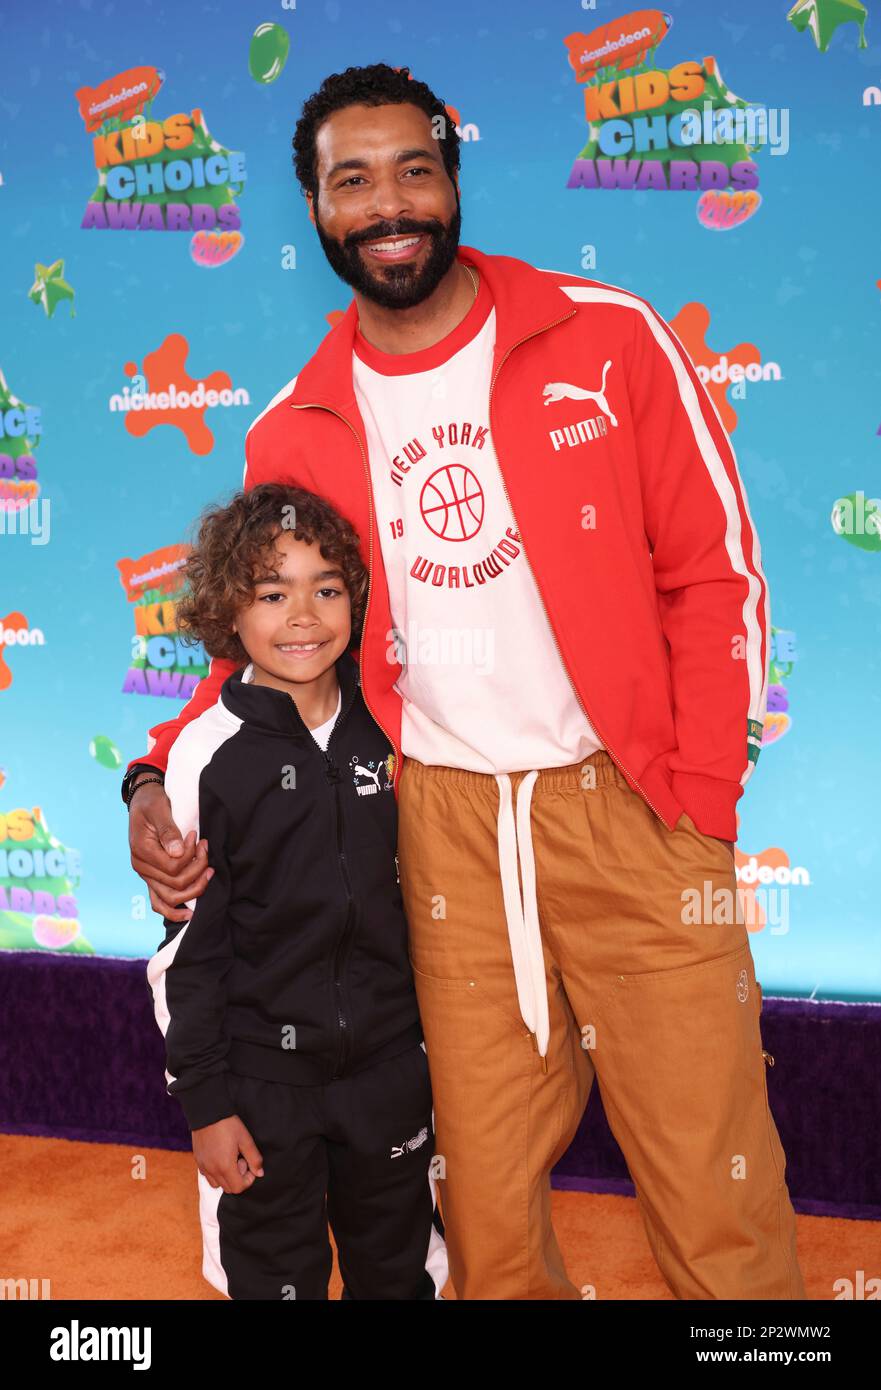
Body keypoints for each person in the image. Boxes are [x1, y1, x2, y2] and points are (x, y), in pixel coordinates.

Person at [125, 63, 806, 1301]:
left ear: (451, 180)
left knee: (714, 1189)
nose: (387, 204)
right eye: (352, 180)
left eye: (414, 170)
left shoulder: (605, 337)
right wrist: (149, 777)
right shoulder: (294, 427)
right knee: (482, 1210)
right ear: (315, 209)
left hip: (632, 809)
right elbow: (257, 647)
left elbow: (713, 573)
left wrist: (700, 795)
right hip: (438, 834)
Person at [141, 480, 447, 1300]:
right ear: (228, 613)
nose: (303, 616)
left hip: (389, 1074)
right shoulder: (206, 755)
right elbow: (188, 955)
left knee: (400, 1278)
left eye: (327, 589)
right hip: (260, 1086)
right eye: (272, 594)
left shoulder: (395, 726)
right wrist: (207, 1105)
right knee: (275, 1281)